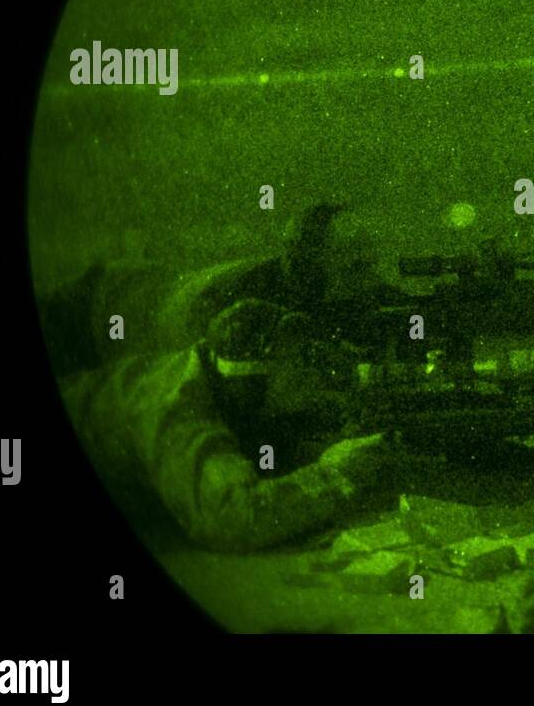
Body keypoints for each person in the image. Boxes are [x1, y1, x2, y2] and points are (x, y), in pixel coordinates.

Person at [43, 204, 396, 552]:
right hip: (91, 310)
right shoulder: (201, 357)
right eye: (357, 268)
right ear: (315, 270)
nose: (372, 281)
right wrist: (334, 474)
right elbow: (233, 513)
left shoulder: (258, 338)